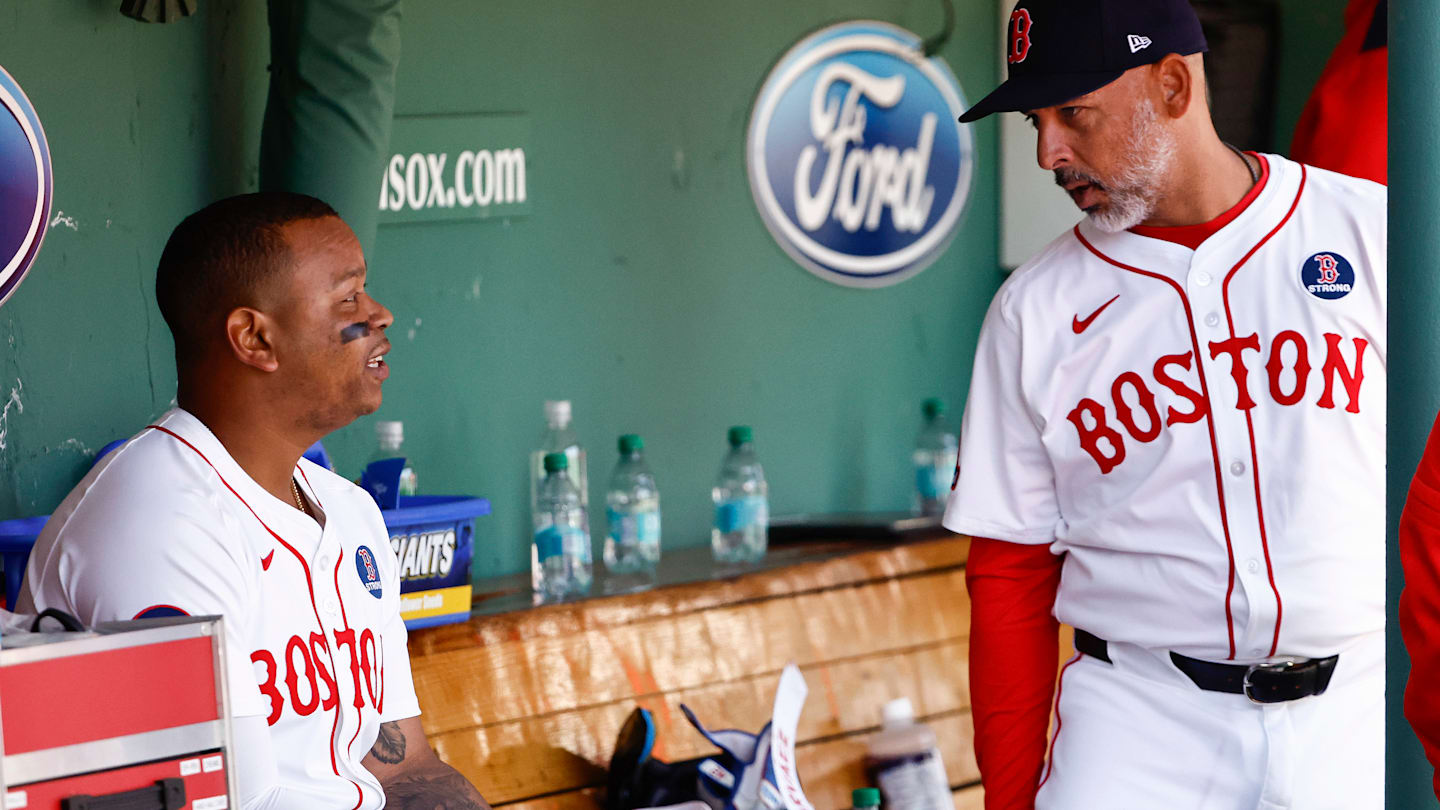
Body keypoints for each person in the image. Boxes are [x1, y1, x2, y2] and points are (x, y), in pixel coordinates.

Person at [945, 0, 1386, 807]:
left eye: (1073, 113)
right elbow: (1009, 574)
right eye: (1036, 121)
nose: (1048, 152)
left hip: (1360, 708)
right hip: (1140, 722)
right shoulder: (1033, 311)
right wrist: (1010, 798)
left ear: (1174, 85)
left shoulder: (1373, 233)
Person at [18, 193, 492, 809]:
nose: (380, 314)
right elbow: (232, 801)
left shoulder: (349, 512)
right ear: (254, 338)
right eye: (349, 298)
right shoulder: (160, 526)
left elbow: (406, 768)